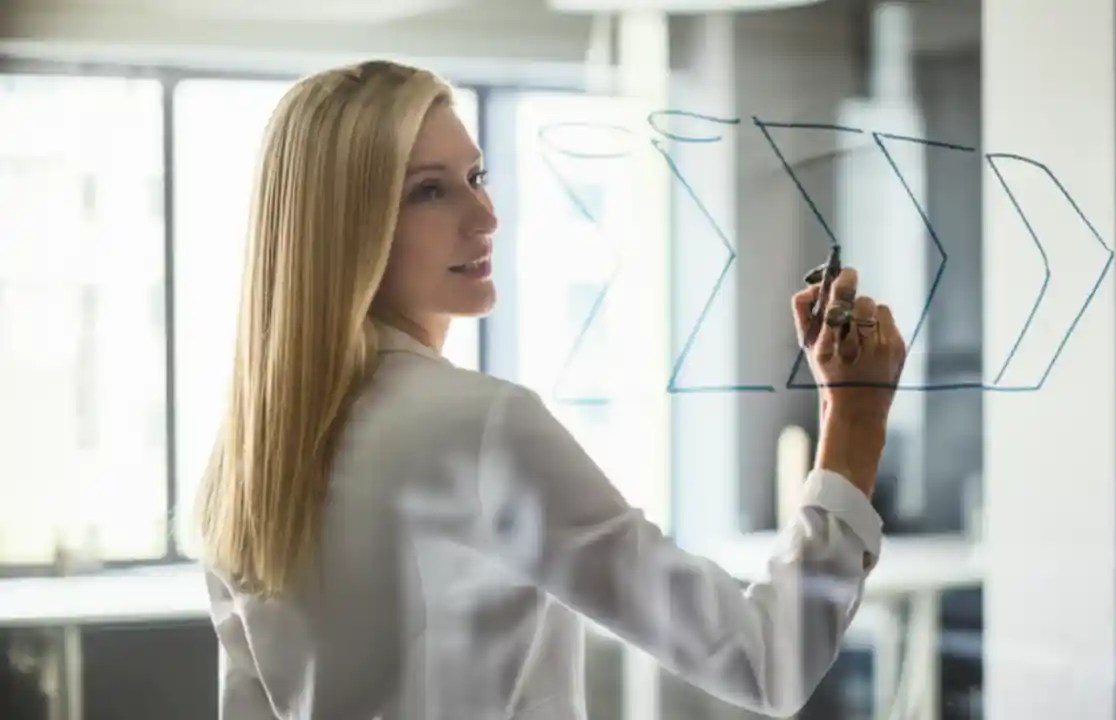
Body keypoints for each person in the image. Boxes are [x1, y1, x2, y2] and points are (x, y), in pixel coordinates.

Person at [195, 59, 906, 720]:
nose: (486, 218)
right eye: (429, 190)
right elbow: (766, 659)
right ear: (350, 227)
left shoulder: (247, 458)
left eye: (476, 176)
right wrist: (854, 421)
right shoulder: (479, 426)